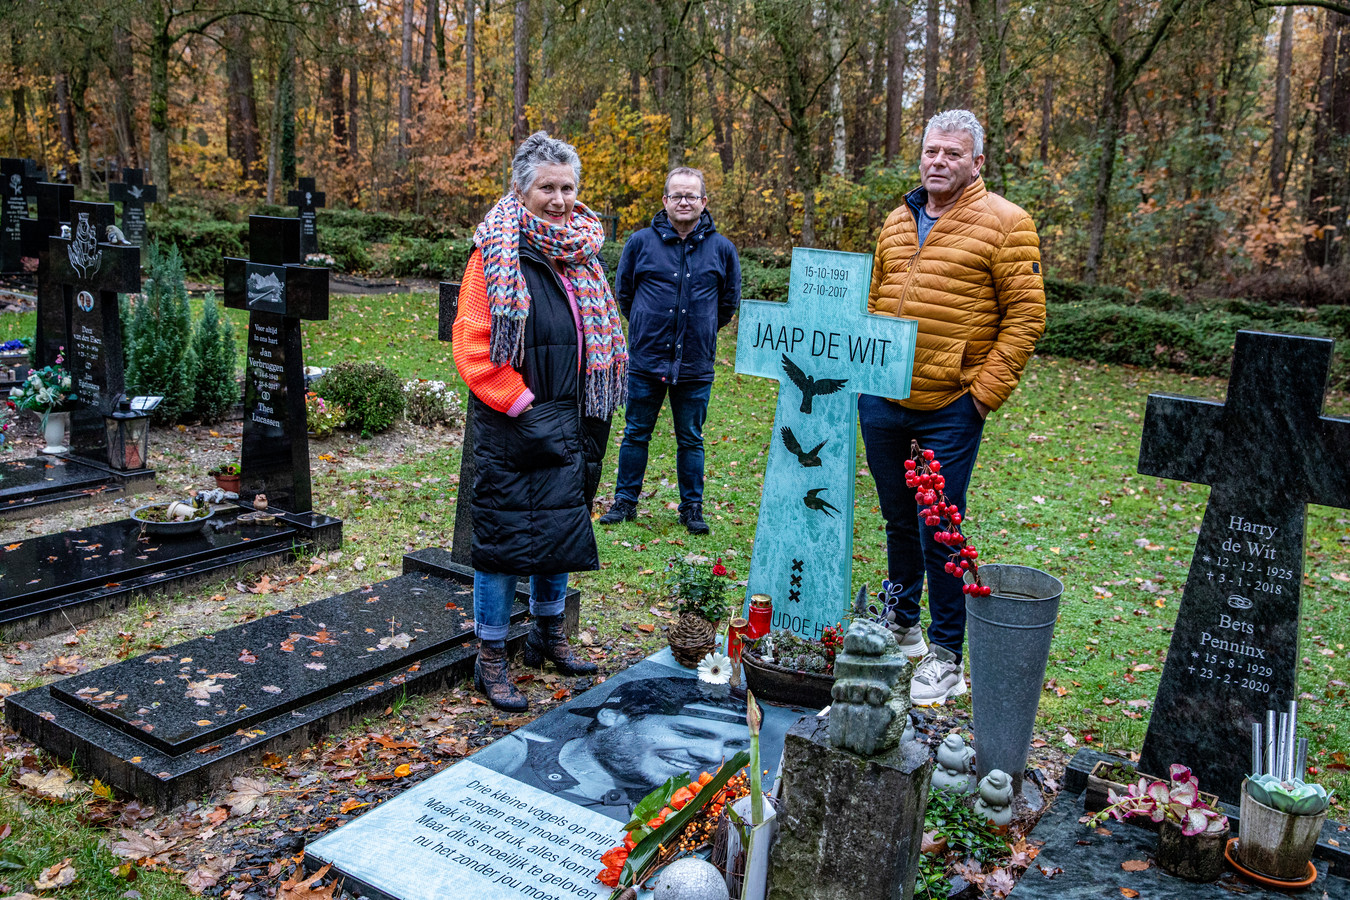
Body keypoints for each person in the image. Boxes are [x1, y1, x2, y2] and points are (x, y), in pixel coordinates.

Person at [860, 109, 1046, 706]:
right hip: (883, 397)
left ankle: (944, 653)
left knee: (939, 525)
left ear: (976, 163)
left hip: (950, 404)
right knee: (896, 517)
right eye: (931, 151)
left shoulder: (1006, 224)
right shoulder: (896, 219)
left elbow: (1026, 316)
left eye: (952, 154)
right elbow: (874, 302)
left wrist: (981, 397)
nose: (938, 162)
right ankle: (903, 625)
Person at [452, 131, 627, 711]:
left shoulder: (581, 252)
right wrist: (523, 405)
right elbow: (474, 346)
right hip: (517, 419)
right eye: (546, 187)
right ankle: (492, 657)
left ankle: (547, 637)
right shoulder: (494, 252)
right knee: (503, 543)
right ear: (520, 189)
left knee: (561, 531)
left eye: (567, 187)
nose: (558, 199)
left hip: (576, 417)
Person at [598, 167, 741, 535]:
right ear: (665, 201)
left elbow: (728, 304)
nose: (683, 201)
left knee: (691, 438)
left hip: (695, 364)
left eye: (691, 195)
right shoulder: (640, 243)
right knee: (635, 433)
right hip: (646, 360)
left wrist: (704, 330)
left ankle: (691, 507)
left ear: (703, 202)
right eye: (676, 195)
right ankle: (625, 502)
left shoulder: (722, 249)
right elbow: (625, 295)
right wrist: (647, 326)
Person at [492, 676, 751, 820]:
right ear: (612, 716)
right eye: (688, 732)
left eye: (733, 744)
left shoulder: (694, 807)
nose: (713, 756)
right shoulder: (513, 756)